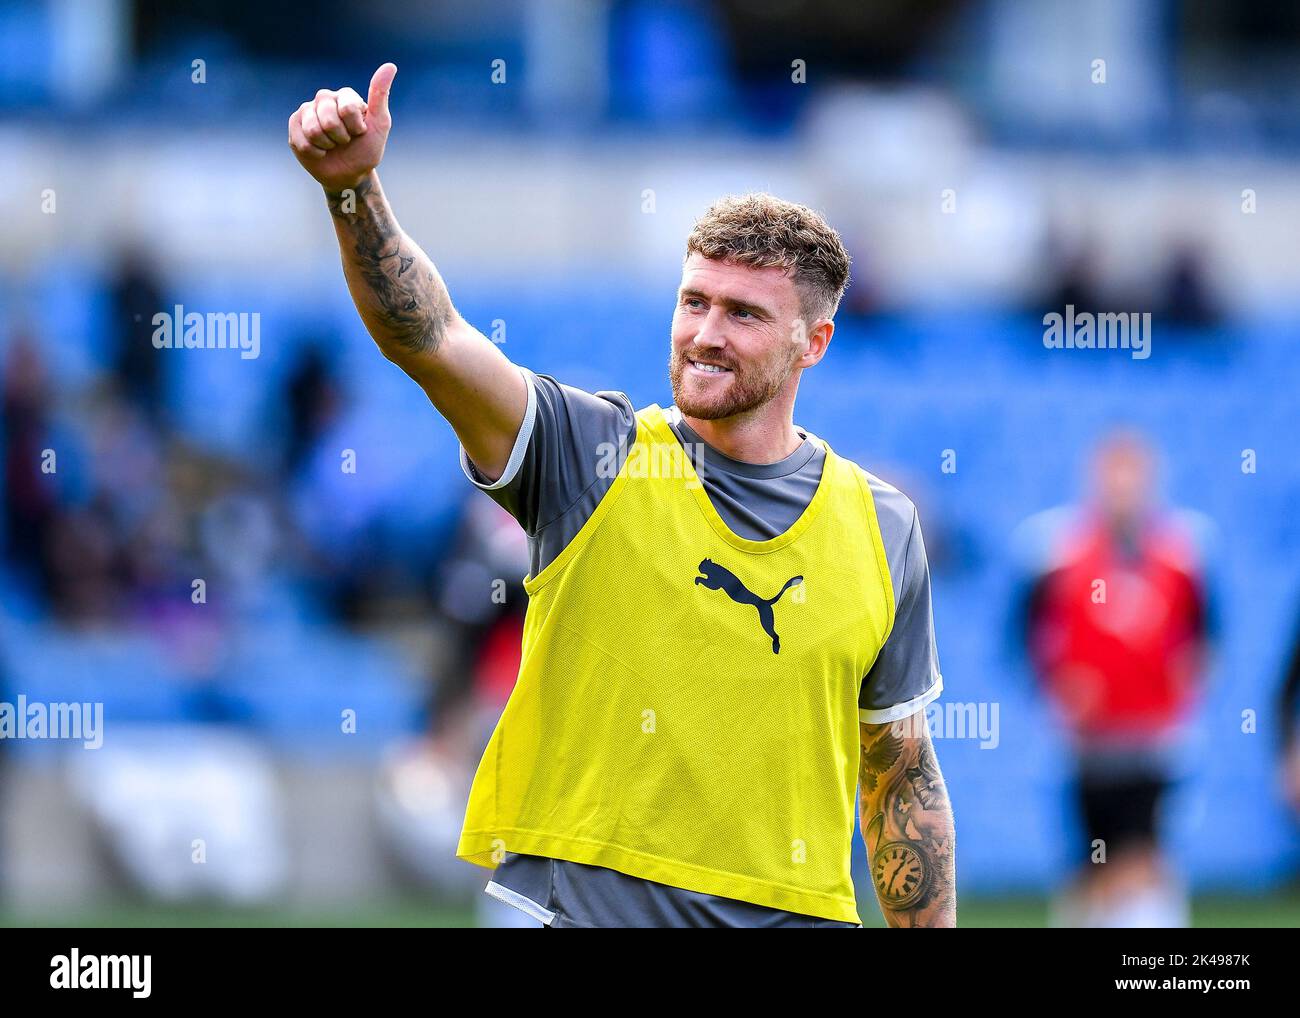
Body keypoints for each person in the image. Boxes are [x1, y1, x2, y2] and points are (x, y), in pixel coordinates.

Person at [288, 64, 954, 928]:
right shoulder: (591, 454)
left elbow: (900, 774)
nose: (706, 336)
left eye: (743, 314)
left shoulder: (882, 526)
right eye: (693, 303)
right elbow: (432, 338)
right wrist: (353, 193)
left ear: (813, 341)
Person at [1013, 431, 1213, 928]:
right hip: (1087, 744)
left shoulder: (1182, 554)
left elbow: (1206, 636)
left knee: (1144, 858)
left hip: (1154, 740)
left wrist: (1184, 683)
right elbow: (1024, 634)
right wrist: (1057, 686)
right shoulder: (1056, 552)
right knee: (1092, 865)